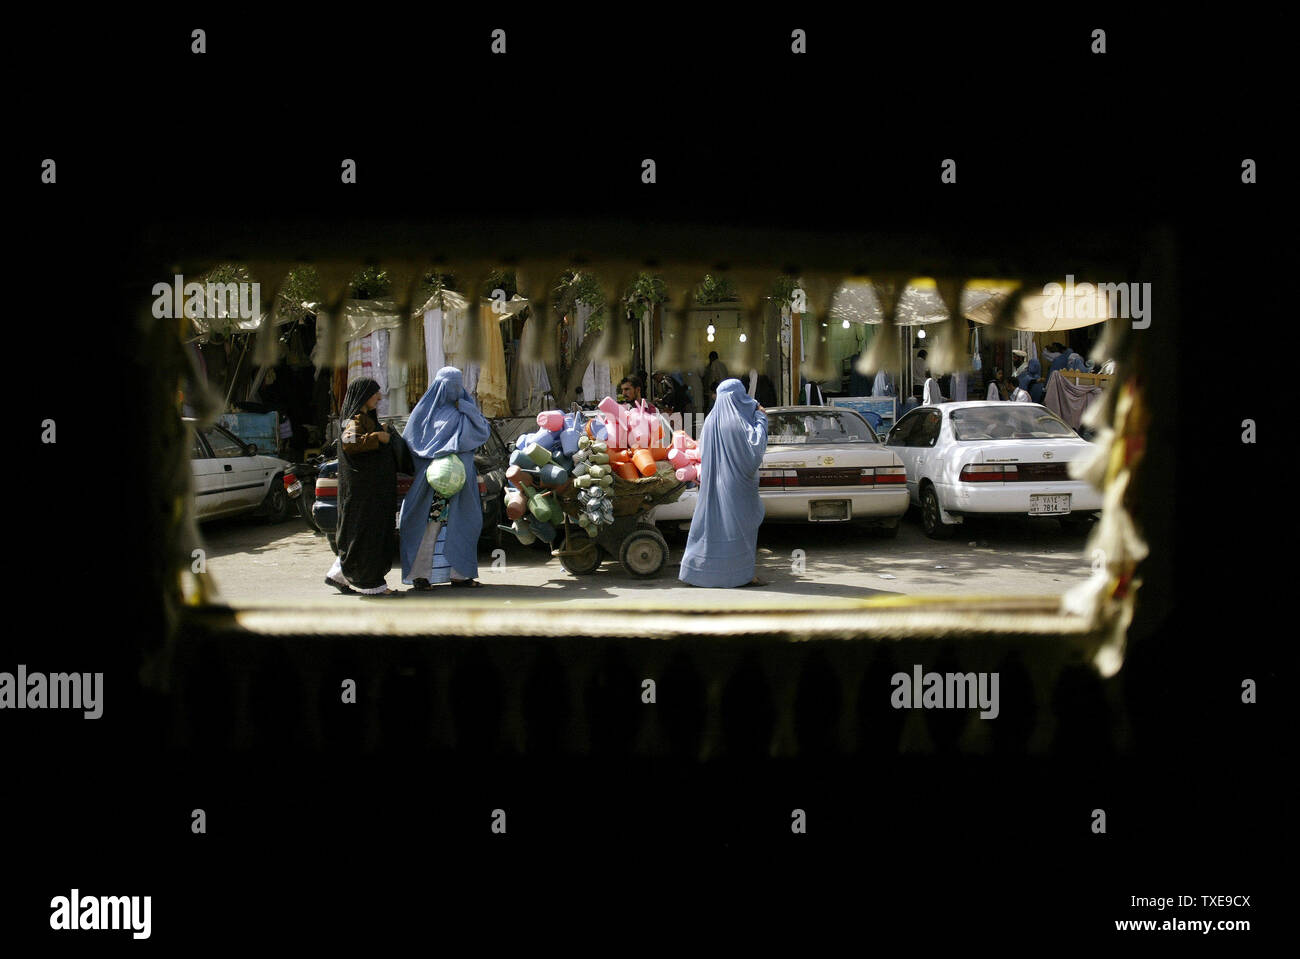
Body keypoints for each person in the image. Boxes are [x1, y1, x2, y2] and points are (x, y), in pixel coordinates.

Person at [398, 366, 492, 591]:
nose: (455, 390)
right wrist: (439, 459)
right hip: (432, 486)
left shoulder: (465, 412)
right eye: (451, 385)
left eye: (459, 385)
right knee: (428, 529)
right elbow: (412, 445)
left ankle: (461, 575)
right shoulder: (423, 414)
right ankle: (420, 576)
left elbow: (482, 432)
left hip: (462, 485)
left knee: (465, 526)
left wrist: (469, 410)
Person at [679, 379, 769, 588]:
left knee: (709, 527)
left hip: (712, 485)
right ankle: (740, 575)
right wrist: (761, 418)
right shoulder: (739, 422)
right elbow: (754, 452)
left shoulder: (710, 421)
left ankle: (697, 572)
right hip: (737, 487)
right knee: (739, 530)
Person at [325, 377, 401, 596]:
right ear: (364, 396)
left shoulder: (363, 418)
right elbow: (349, 442)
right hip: (365, 493)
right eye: (375, 393)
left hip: (369, 491)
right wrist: (377, 436)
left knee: (360, 534)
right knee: (367, 534)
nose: (379, 397)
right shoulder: (354, 420)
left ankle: (338, 575)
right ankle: (372, 585)